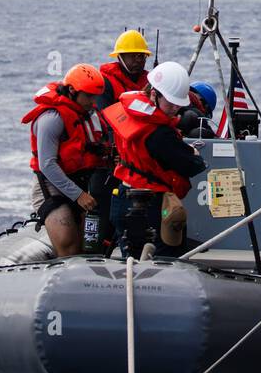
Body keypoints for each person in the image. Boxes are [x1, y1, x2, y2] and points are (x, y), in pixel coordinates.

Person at [103, 61, 207, 260]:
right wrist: (193, 154)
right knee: (163, 262)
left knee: (130, 260)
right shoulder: (159, 133)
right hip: (152, 207)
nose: (175, 108)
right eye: (171, 103)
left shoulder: (129, 112)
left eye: (178, 104)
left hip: (123, 197)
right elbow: (192, 165)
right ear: (154, 94)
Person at [21, 64, 110, 258]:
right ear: (72, 90)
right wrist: (78, 195)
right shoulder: (52, 118)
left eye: (95, 96)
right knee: (69, 246)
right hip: (51, 187)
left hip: (82, 183)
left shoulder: (90, 114)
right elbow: (47, 165)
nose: (93, 101)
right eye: (88, 96)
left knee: (90, 246)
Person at [97, 29, 151, 109]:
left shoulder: (150, 81)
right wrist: (140, 98)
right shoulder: (106, 82)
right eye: (133, 55)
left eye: (141, 56)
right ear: (120, 57)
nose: (138, 60)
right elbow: (105, 113)